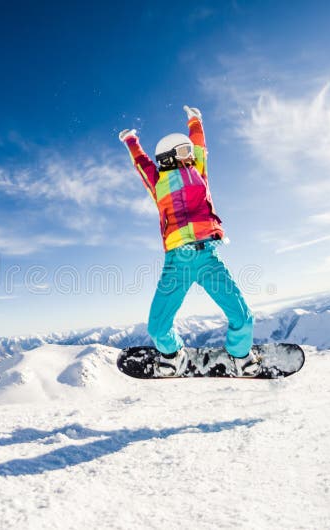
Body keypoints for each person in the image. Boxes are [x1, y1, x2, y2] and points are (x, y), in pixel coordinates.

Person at [119, 105, 257, 377]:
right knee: (157, 327)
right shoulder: (157, 182)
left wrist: (195, 122)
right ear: (168, 156)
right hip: (177, 262)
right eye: (184, 152)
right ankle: (173, 356)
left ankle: (240, 357)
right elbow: (142, 164)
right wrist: (131, 141)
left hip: (208, 257)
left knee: (243, 317)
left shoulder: (198, 171)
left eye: (189, 152)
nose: (190, 155)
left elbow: (200, 148)